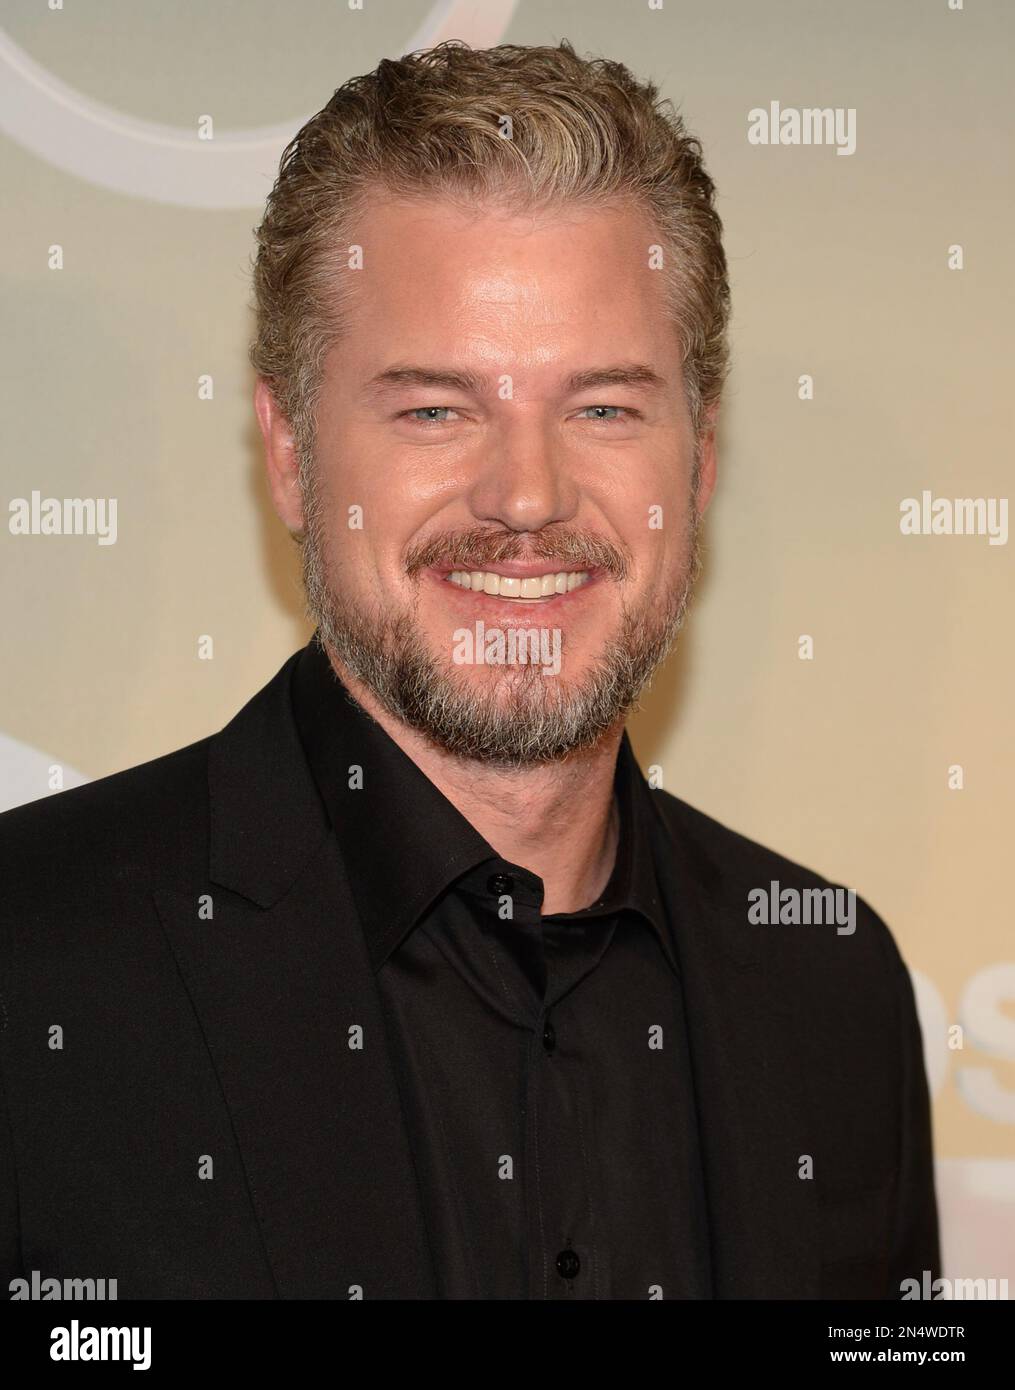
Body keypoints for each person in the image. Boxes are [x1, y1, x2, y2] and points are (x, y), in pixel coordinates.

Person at [0, 40, 938, 1300]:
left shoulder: (832, 988)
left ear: (700, 459)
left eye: (603, 406)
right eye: (434, 408)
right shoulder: (35, 962)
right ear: (288, 452)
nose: (525, 497)